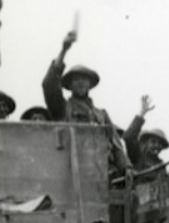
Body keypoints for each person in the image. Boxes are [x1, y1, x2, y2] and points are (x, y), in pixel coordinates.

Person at [43, 30, 132, 180]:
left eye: (84, 79)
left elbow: (116, 146)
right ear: (69, 85)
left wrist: (127, 168)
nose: (81, 83)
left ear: (90, 84)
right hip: (72, 172)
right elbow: (49, 85)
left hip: (101, 173)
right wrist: (64, 50)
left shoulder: (102, 114)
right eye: (76, 79)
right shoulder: (63, 108)